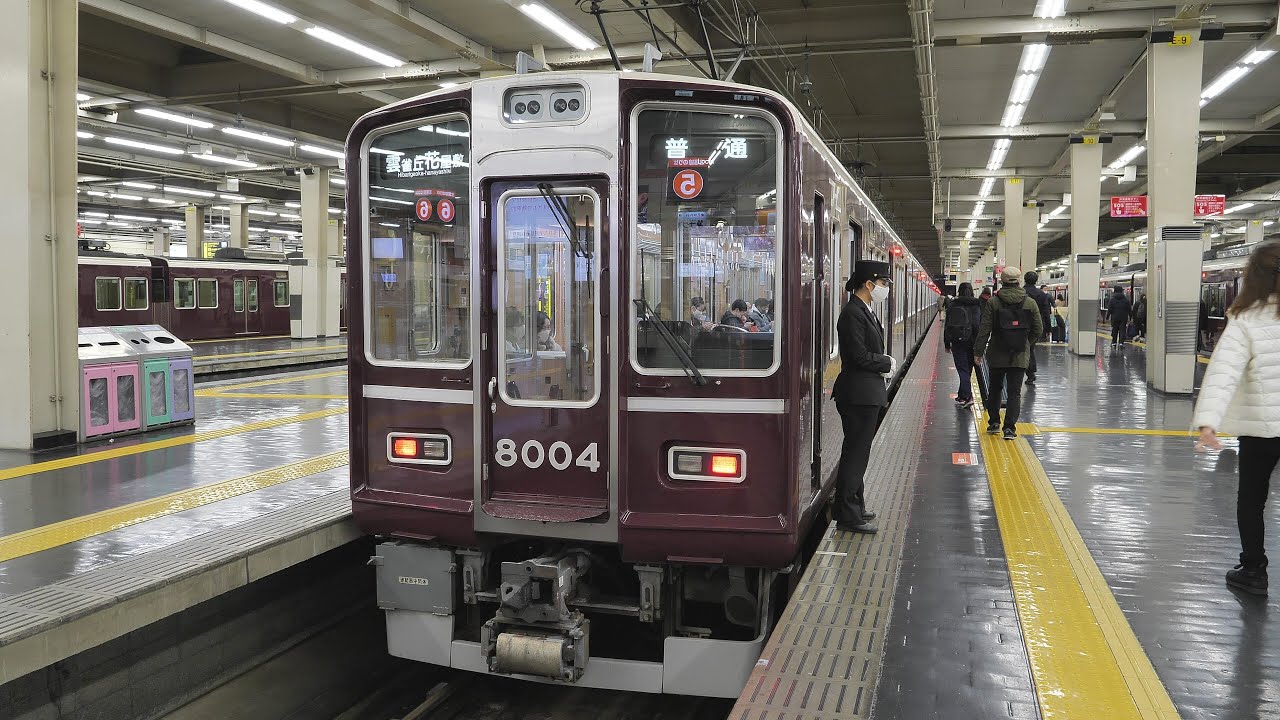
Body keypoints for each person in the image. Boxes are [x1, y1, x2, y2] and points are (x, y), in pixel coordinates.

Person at [1191, 238, 1280, 596]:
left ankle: (1254, 570)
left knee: (1252, 499)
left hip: (1261, 430)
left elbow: (1223, 373)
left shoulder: (1246, 320)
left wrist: (1208, 423)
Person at [831, 260, 896, 535]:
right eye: (882, 284)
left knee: (859, 453)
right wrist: (886, 362)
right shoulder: (852, 313)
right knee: (855, 455)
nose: (884, 289)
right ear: (869, 284)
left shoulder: (863, 310)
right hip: (858, 394)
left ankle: (856, 506)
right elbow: (857, 356)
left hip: (866, 393)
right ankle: (847, 515)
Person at [974, 266, 1043, 440]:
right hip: (1019, 355)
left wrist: (978, 352)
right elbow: (1038, 329)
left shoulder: (993, 302)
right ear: (1018, 281)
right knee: (1014, 392)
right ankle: (1010, 429)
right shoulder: (1030, 303)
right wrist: (1026, 343)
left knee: (995, 389)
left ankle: (994, 423)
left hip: (997, 353)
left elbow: (984, 330)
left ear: (1002, 281)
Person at [944, 282, 982, 408]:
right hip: (973, 341)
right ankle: (962, 395)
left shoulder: (952, 304)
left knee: (962, 369)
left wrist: (947, 343)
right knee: (967, 370)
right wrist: (979, 343)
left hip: (957, 341)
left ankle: (967, 396)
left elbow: (947, 325)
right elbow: (977, 325)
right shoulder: (977, 305)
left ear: (959, 291)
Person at [1023, 272, 1053, 385]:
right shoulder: (1041, 294)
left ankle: (1023, 372)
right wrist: (1048, 329)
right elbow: (1046, 312)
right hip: (1036, 325)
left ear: (1025, 280)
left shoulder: (1021, 292)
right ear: (1036, 281)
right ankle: (1030, 374)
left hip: (1021, 325)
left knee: (1021, 348)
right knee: (1030, 348)